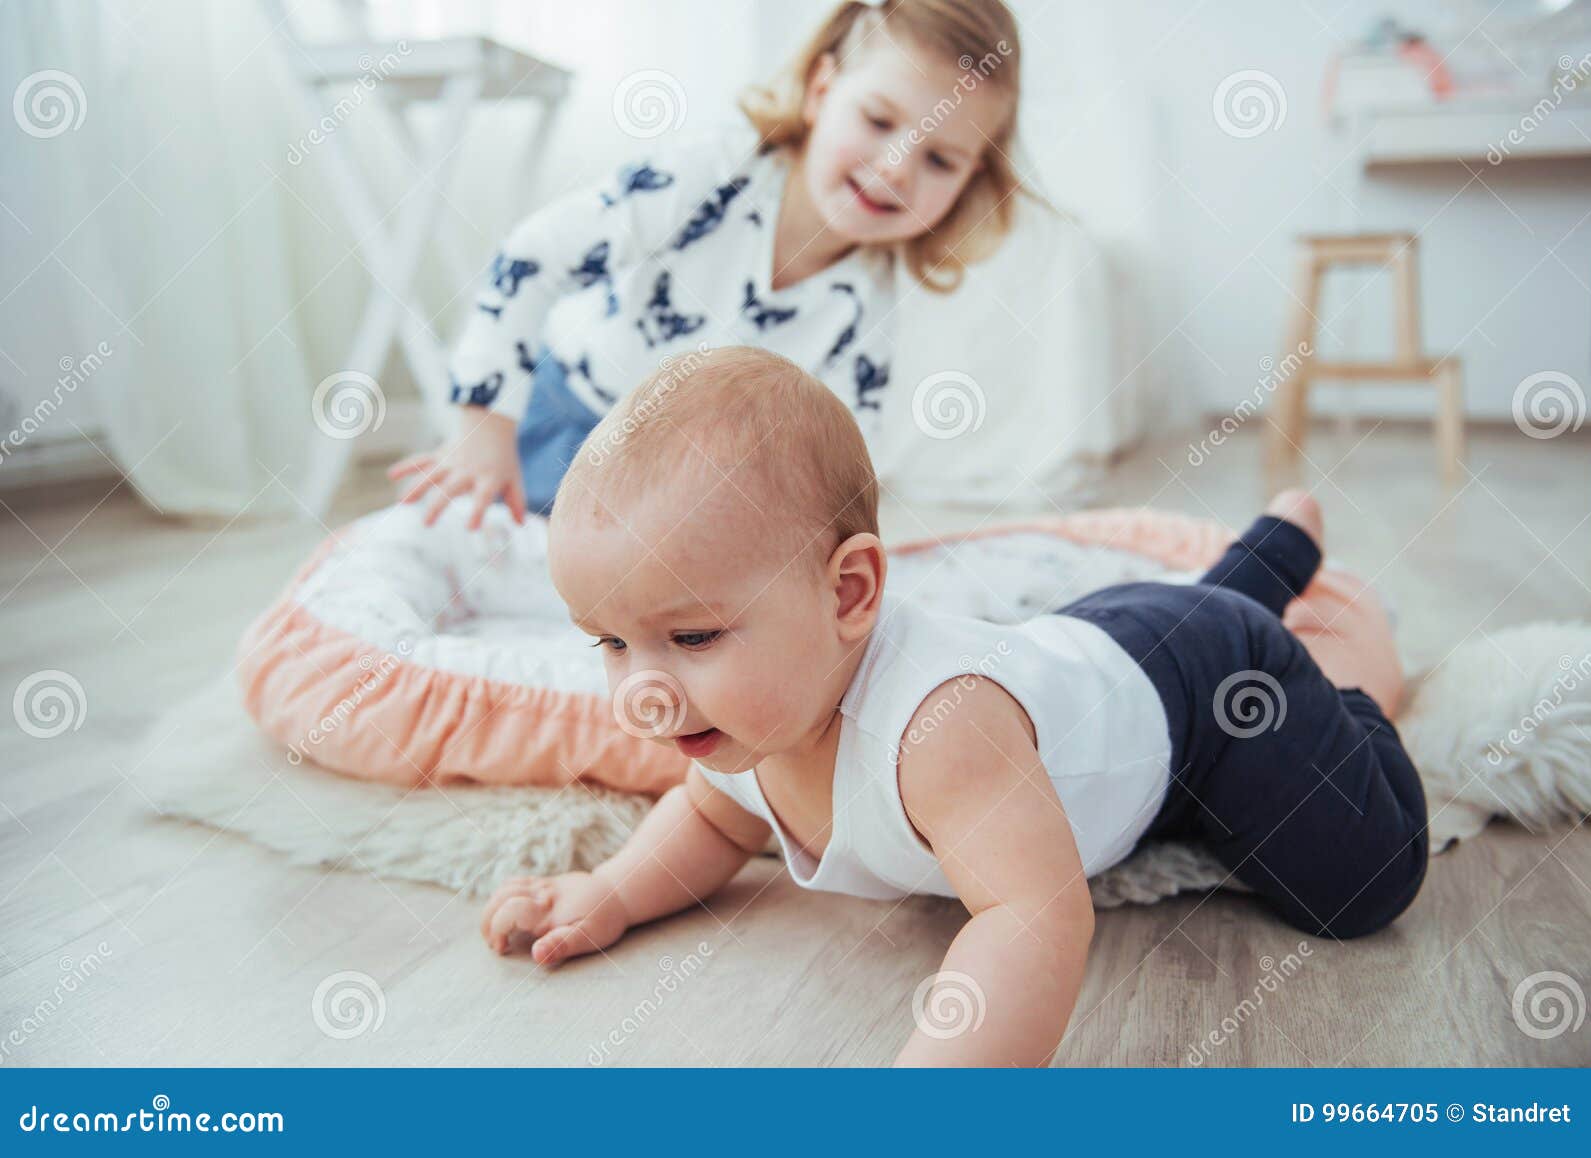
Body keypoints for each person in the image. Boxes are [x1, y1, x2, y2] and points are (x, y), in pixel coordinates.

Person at [479, 347, 1430, 1067]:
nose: (645, 689)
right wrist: (608, 894)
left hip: (1210, 694)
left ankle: (1339, 684)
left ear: (849, 595)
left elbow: (1032, 916)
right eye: (610, 643)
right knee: (1182, 609)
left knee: (1359, 883)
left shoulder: (939, 732)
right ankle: (1270, 548)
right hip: (1095, 642)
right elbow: (710, 819)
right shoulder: (747, 711)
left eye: (691, 638)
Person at [389, 0, 1028, 528]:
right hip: (562, 425)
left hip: (680, 497)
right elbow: (535, 255)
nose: (896, 168)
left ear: (971, 179)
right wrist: (483, 430)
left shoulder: (871, 300)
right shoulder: (713, 172)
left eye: (940, 160)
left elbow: (837, 451)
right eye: (879, 119)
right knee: (467, 556)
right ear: (821, 90)